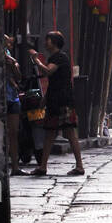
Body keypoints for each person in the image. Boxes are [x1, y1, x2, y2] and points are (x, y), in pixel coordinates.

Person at [29, 31, 85, 177]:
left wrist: (36, 60)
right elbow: (55, 82)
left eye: (48, 40)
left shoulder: (59, 57)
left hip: (62, 101)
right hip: (56, 100)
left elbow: (48, 72)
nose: (45, 43)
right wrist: (46, 98)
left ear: (54, 42)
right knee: (50, 133)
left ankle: (79, 166)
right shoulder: (55, 57)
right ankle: (43, 166)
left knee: (69, 133)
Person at [3, 34, 28, 176]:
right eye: (7, 42)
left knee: (13, 132)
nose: (9, 45)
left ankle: (15, 167)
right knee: (4, 133)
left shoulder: (9, 56)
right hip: (2, 97)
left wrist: (13, 64)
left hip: (12, 96)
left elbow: (18, 77)